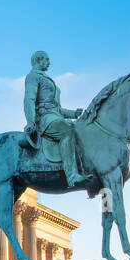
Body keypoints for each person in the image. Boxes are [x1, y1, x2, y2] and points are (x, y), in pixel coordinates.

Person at [24, 50, 88, 187]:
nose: (49, 62)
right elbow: (29, 100)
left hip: (54, 116)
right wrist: (31, 121)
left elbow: (57, 108)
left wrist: (73, 113)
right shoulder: (33, 76)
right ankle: (72, 176)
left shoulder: (46, 78)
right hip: (44, 118)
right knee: (66, 131)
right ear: (38, 60)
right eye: (46, 59)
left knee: (78, 128)